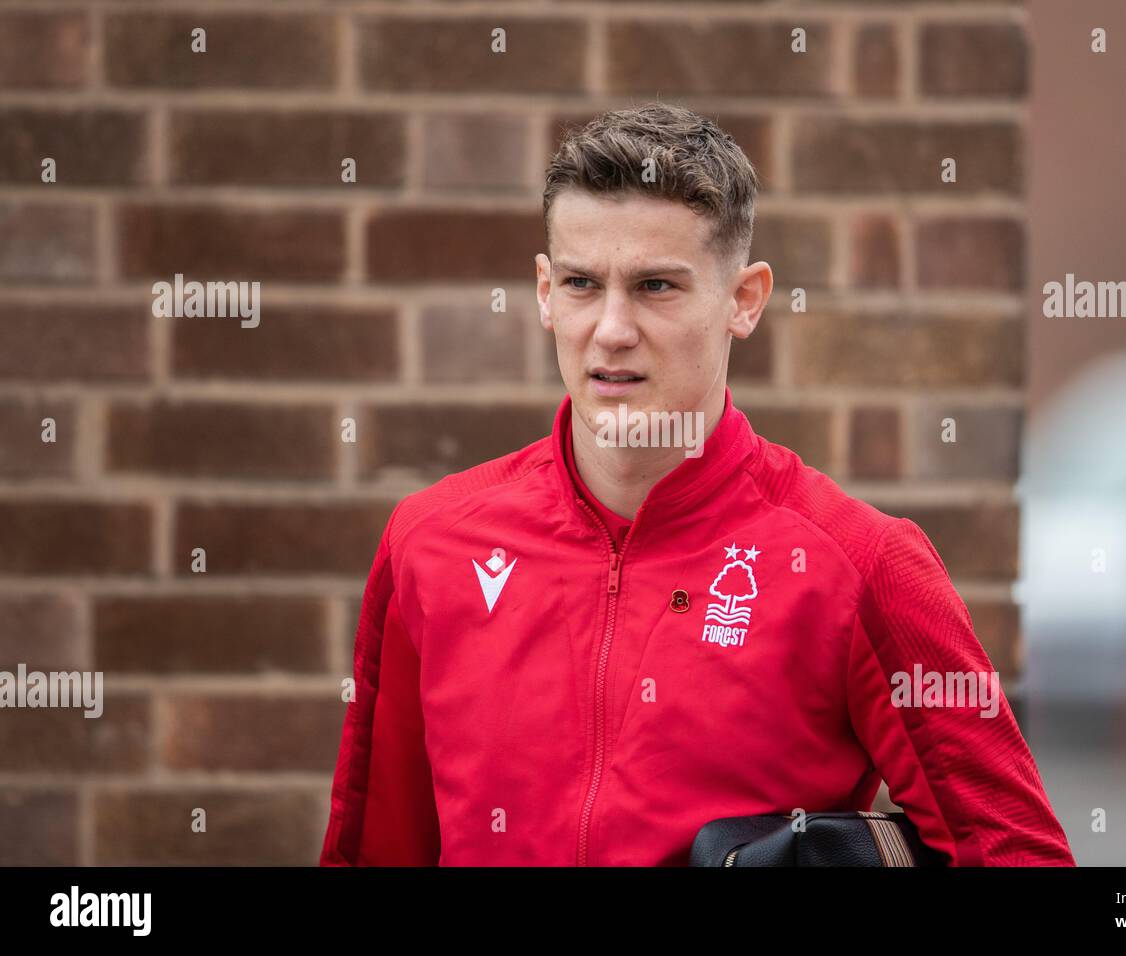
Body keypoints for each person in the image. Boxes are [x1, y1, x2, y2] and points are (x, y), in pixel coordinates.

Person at [320, 102, 1076, 866]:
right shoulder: (432, 542)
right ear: (545, 292)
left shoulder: (861, 564)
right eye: (583, 284)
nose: (611, 329)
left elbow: (1019, 853)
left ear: (743, 300)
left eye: (656, 287)